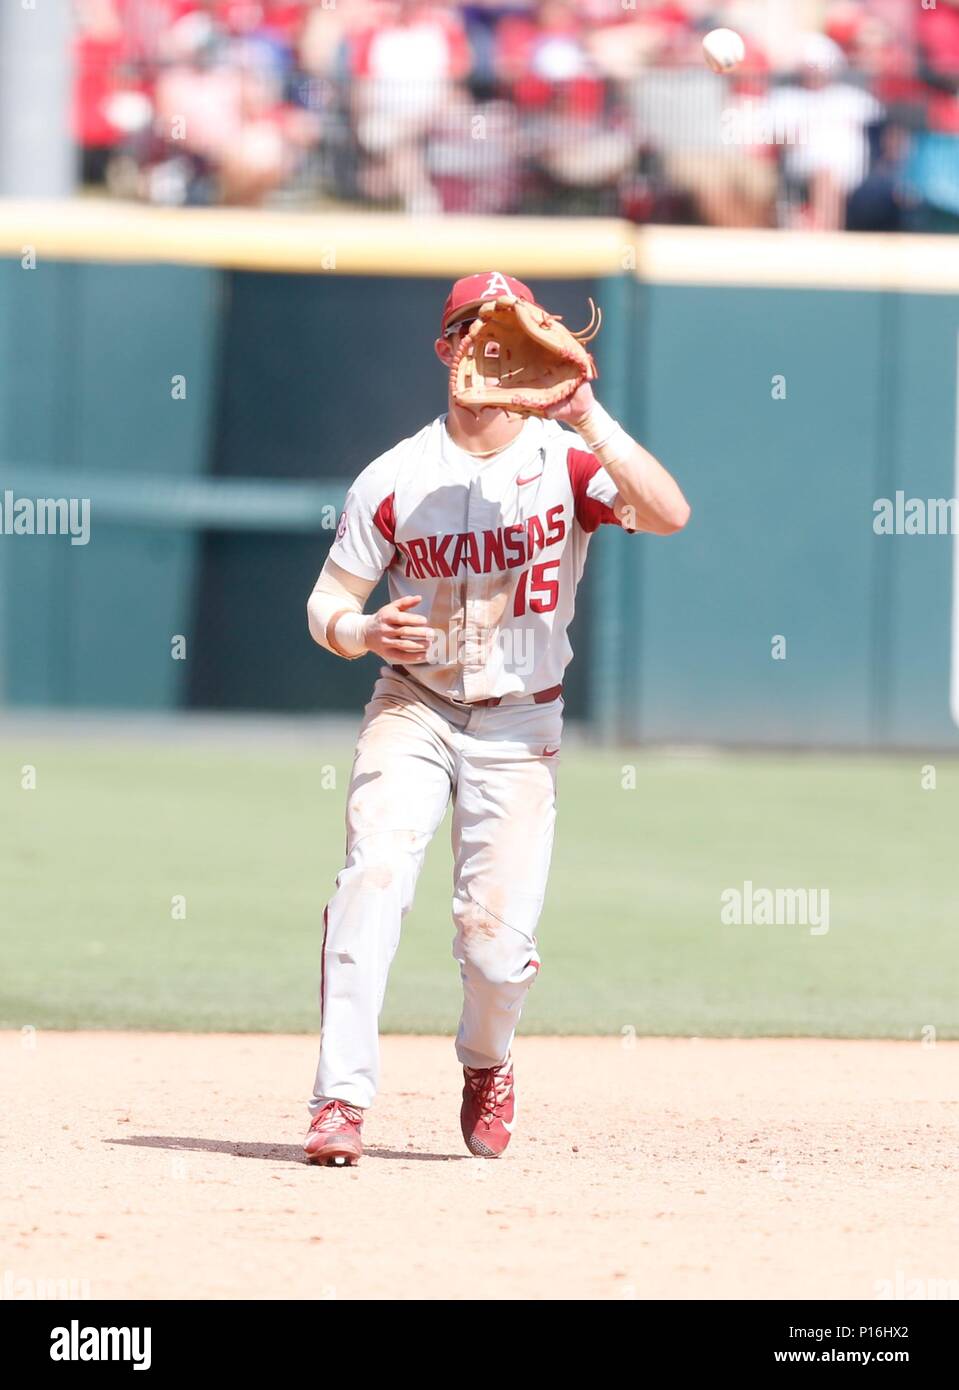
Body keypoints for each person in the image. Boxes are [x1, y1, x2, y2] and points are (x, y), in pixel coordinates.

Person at [303, 270, 690, 1166]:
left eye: (507, 331)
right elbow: (327, 602)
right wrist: (360, 630)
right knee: (373, 877)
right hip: (415, 706)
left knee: (495, 946)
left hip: (520, 726)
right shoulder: (394, 477)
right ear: (446, 351)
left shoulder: (567, 463)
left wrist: (586, 413)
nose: (492, 346)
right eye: (473, 332)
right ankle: (338, 1101)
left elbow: (669, 515)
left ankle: (487, 1060)